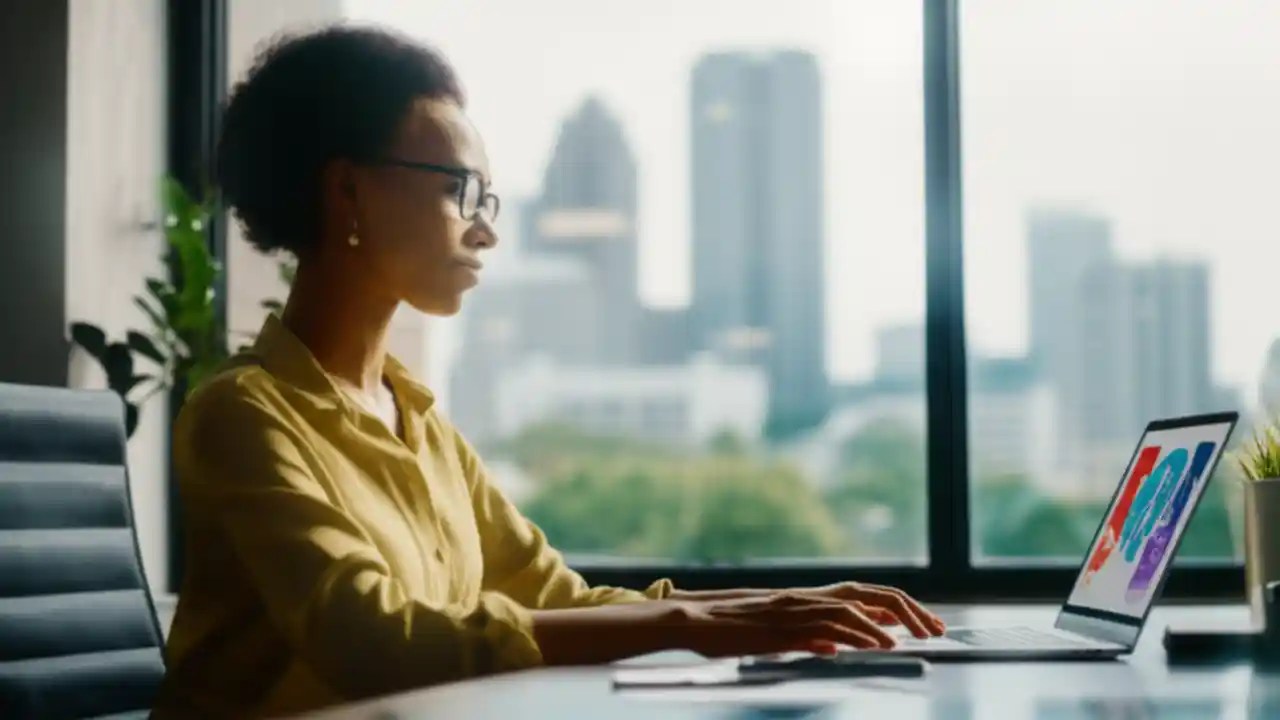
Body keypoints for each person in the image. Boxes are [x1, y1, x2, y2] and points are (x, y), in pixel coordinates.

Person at [154, 25, 946, 718]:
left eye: (489, 200)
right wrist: (690, 629)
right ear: (348, 191)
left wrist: (764, 608)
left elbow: (559, 602)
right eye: (462, 191)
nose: (485, 233)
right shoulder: (243, 415)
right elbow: (375, 639)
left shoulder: (415, 419)